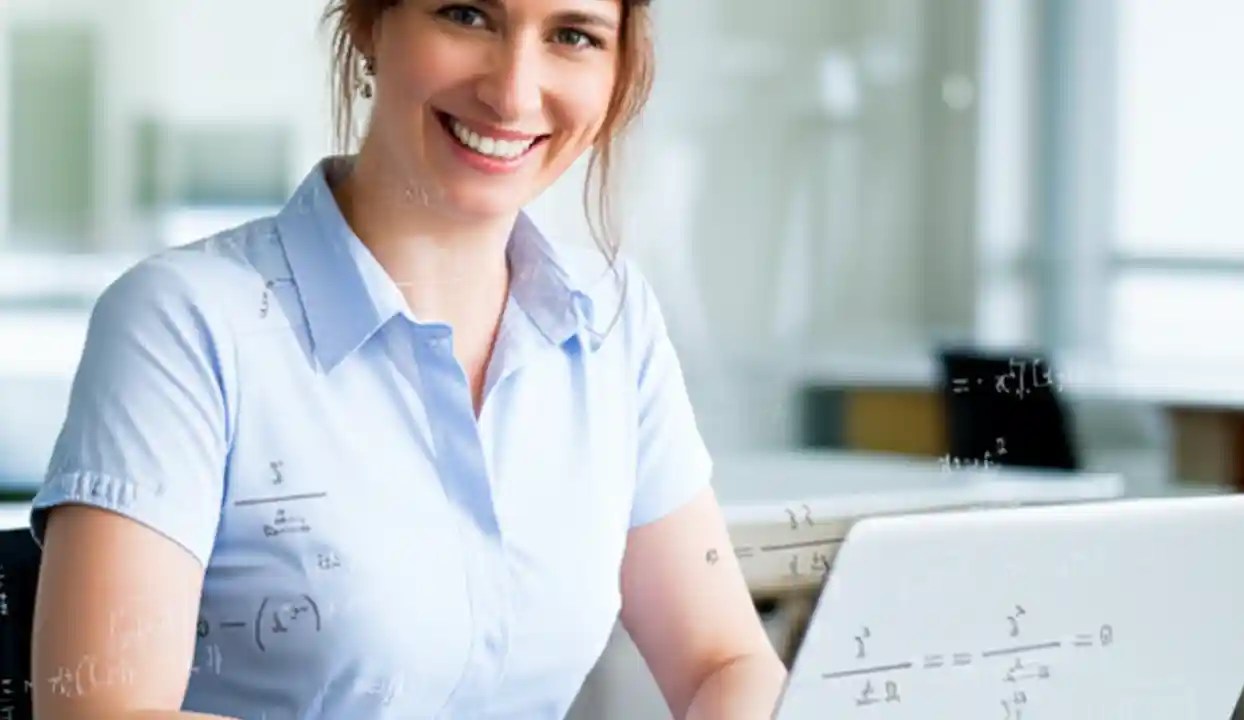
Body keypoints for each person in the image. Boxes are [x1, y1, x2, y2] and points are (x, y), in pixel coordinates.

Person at [27, 0, 786, 718]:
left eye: (574, 34)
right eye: (466, 15)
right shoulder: (183, 322)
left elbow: (724, 659)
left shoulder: (611, 318)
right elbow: (99, 710)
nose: (514, 93)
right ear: (368, 22)